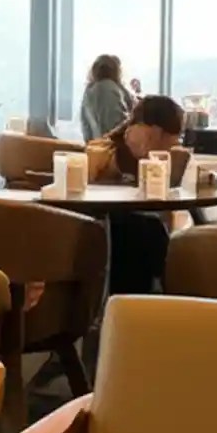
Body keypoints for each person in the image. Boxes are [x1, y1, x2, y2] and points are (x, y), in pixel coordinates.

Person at [87, 95, 184, 295]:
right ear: (154, 131)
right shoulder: (107, 152)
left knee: (152, 231)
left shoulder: (162, 157)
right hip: (105, 225)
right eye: (169, 137)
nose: (173, 144)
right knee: (149, 232)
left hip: (121, 226)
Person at [80, 54, 136, 141]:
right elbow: (118, 127)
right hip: (114, 148)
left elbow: (86, 130)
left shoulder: (88, 93)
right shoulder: (110, 90)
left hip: (96, 148)